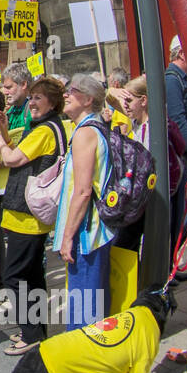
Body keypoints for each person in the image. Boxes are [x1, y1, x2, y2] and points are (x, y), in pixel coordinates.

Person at [0, 77, 67, 354]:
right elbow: (21, 154)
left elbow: (11, 159)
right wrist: (3, 130)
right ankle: (33, 330)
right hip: (26, 215)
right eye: (31, 98)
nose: (32, 103)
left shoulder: (46, 129)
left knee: (15, 275)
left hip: (29, 216)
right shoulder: (43, 127)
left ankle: (31, 333)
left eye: (38, 98)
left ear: (52, 101)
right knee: (32, 275)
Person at [54, 73, 114, 329]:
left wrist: (67, 236)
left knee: (83, 313)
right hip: (92, 230)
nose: (66, 94)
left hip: (86, 234)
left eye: (72, 90)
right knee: (91, 305)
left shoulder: (85, 133)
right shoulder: (90, 128)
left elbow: (82, 191)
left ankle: (82, 364)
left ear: (88, 99)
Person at [164, 35, 187, 274]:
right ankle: (167, 269)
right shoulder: (173, 80)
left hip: (184, 155)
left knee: (180, 220)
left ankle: (172, 267)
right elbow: (178, 118)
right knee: (176, 218)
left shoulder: (183, 79)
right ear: (181, 53)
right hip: (181, 158)